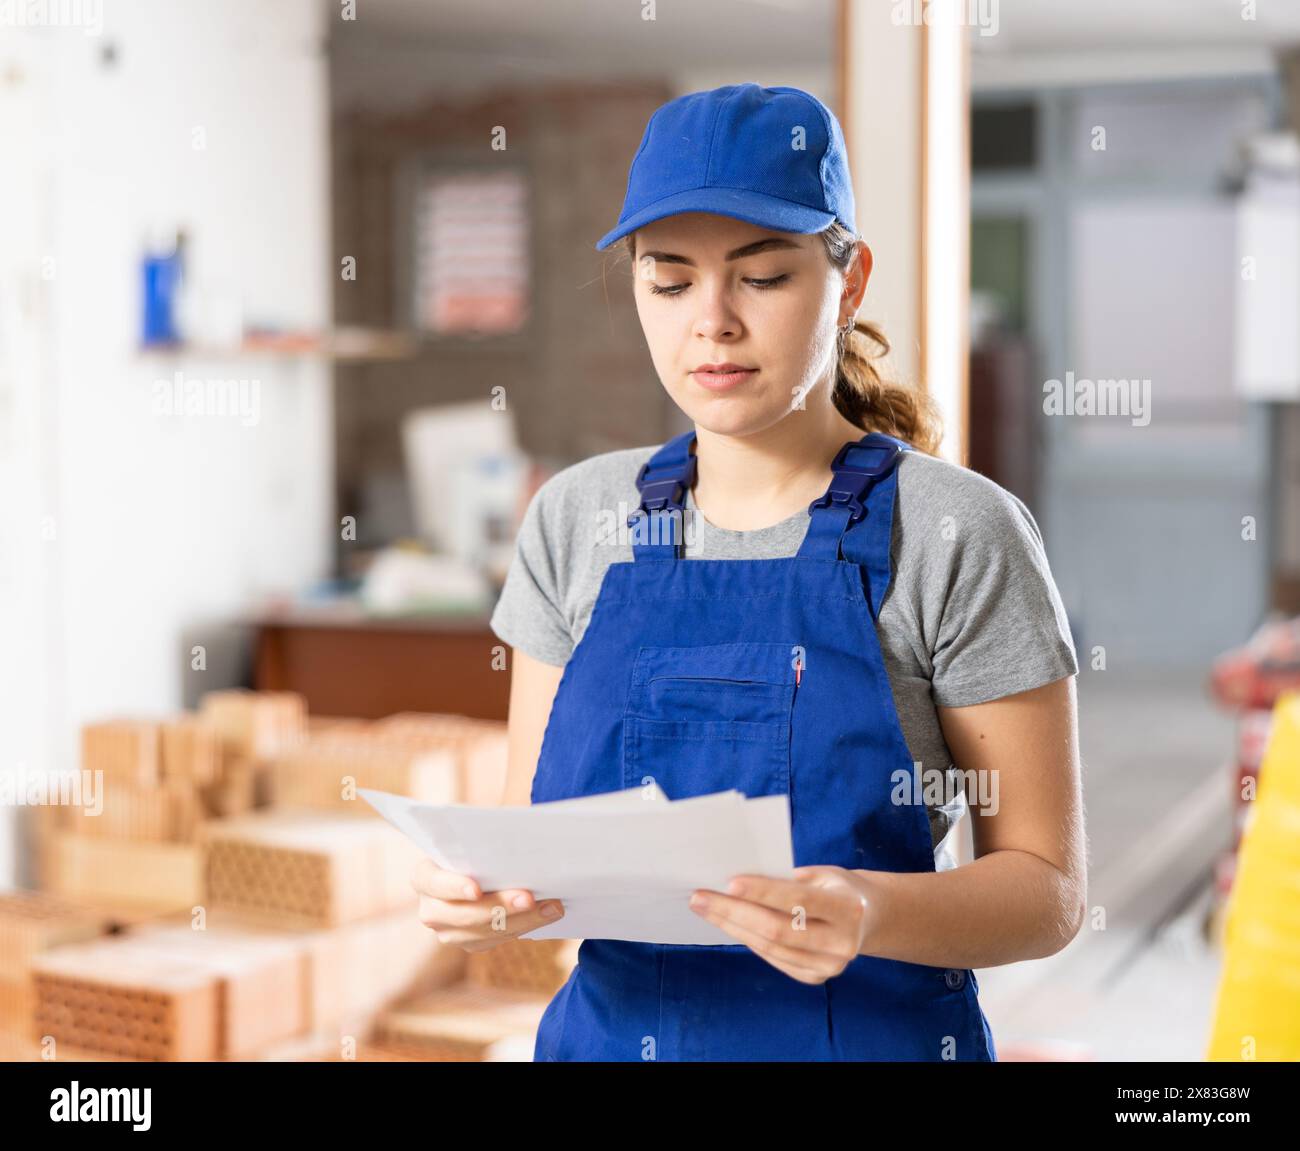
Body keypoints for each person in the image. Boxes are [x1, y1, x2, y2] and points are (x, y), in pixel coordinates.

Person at [411, 83, 1085, 1061]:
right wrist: (487, 900)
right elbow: (538, 845)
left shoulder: (956, 531)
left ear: (848, 281)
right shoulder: (575, 518)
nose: (712, 322)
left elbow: (1047, 892)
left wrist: (865, 906)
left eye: (762, 276)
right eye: (669, 279)